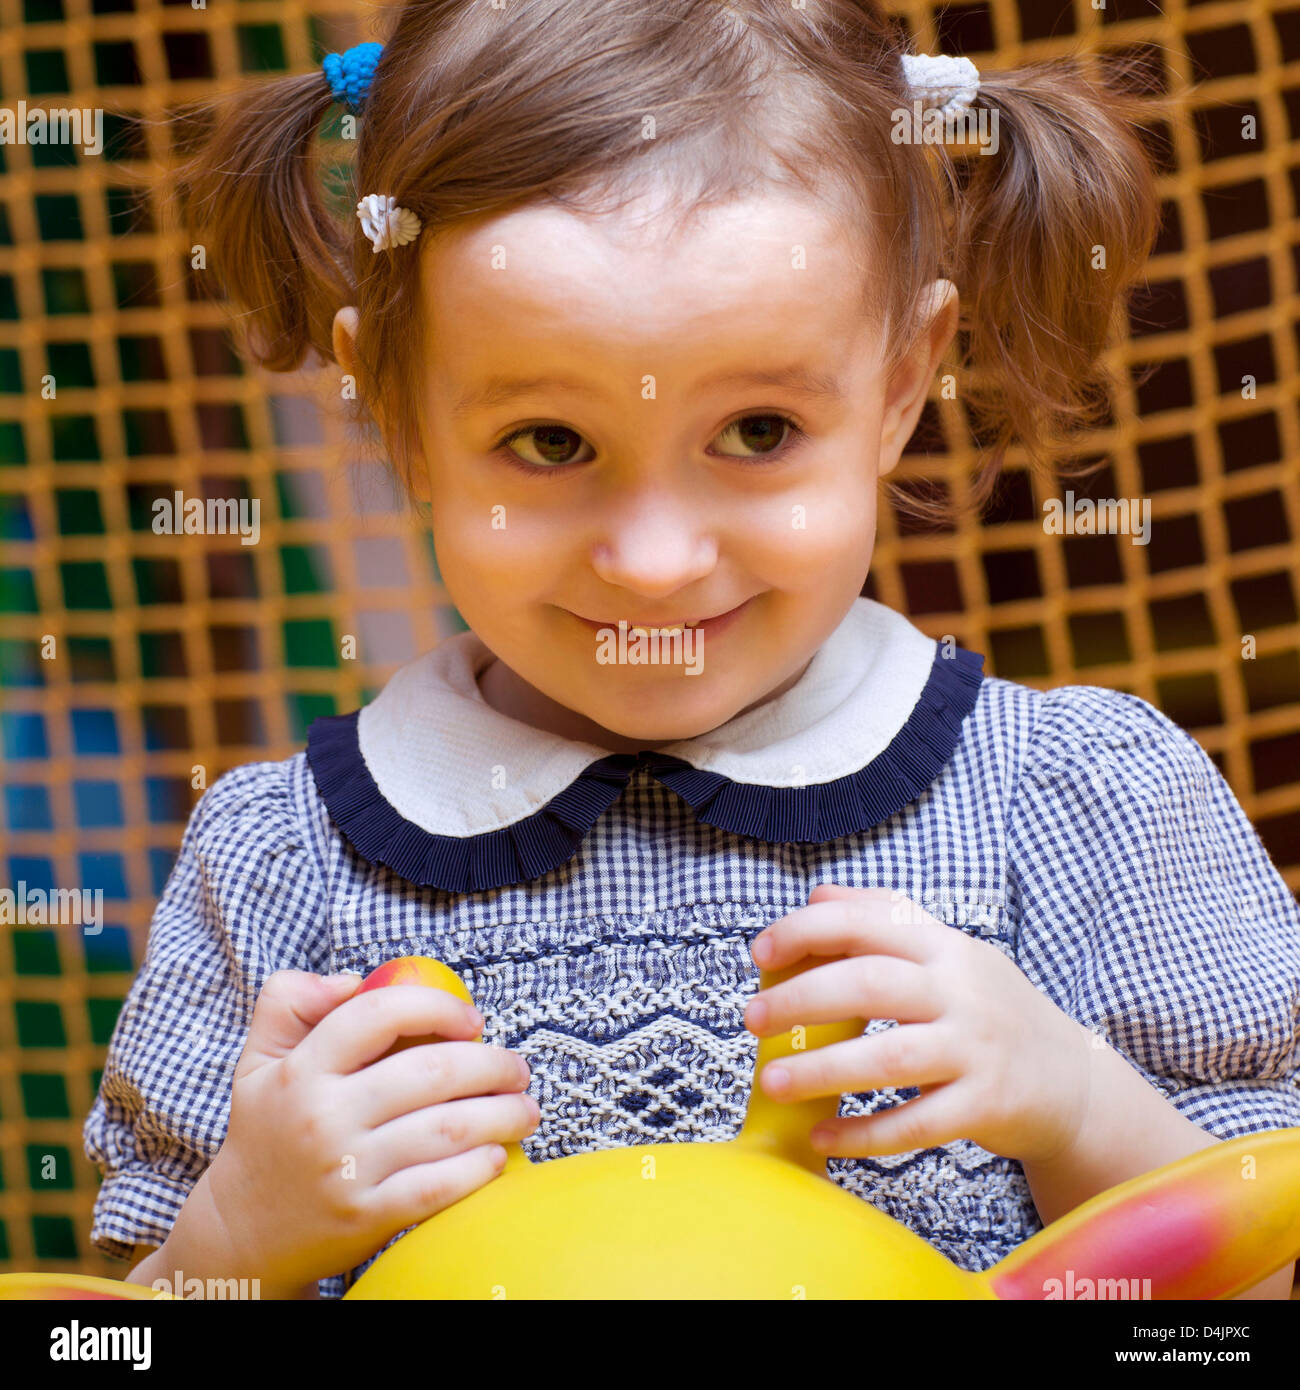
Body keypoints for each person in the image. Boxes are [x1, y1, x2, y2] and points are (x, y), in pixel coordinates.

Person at [84, 2, 1300, 1300]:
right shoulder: (276, 866)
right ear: (399, 406)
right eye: (551, 443)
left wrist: (1079, 1107)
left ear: (900, 384)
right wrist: (235, 1241)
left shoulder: (1085, 805)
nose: (656, 560)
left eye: (760, 432)